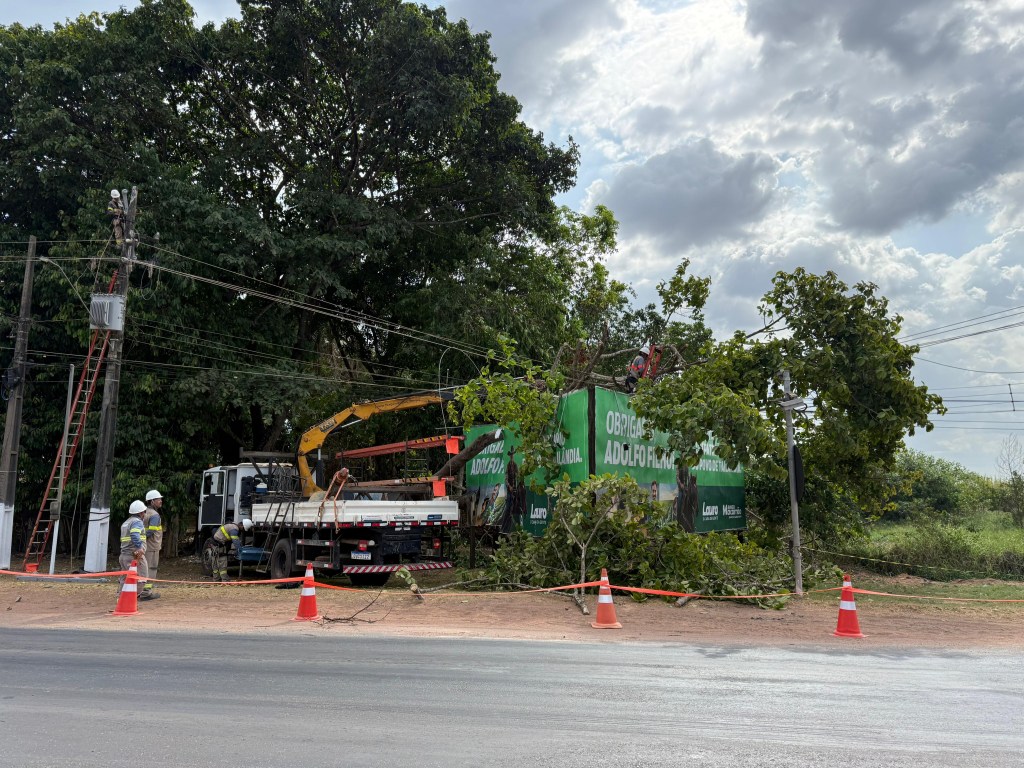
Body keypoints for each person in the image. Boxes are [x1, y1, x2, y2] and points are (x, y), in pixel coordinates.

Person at [118, 500, 148, 595]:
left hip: (124, 555)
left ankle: (121, 598)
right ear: (141, 512)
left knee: (125, 578)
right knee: (141, 577)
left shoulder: (126, 522)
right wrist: (139, 547)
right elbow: (135, 535)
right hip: (134, 555)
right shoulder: (137, 522)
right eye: (144, 511)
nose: (144, 514)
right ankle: (131, 598)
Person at [140, 490, 164, 601]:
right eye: (158, 499)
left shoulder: (144, 512)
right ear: (152, 501)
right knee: (151, 569)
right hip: (152, 547)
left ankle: (140, 591)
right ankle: (146, 593)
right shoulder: (155, 515)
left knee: (142, 569)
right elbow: (150, 532)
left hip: (144, 546)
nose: (160, 501)